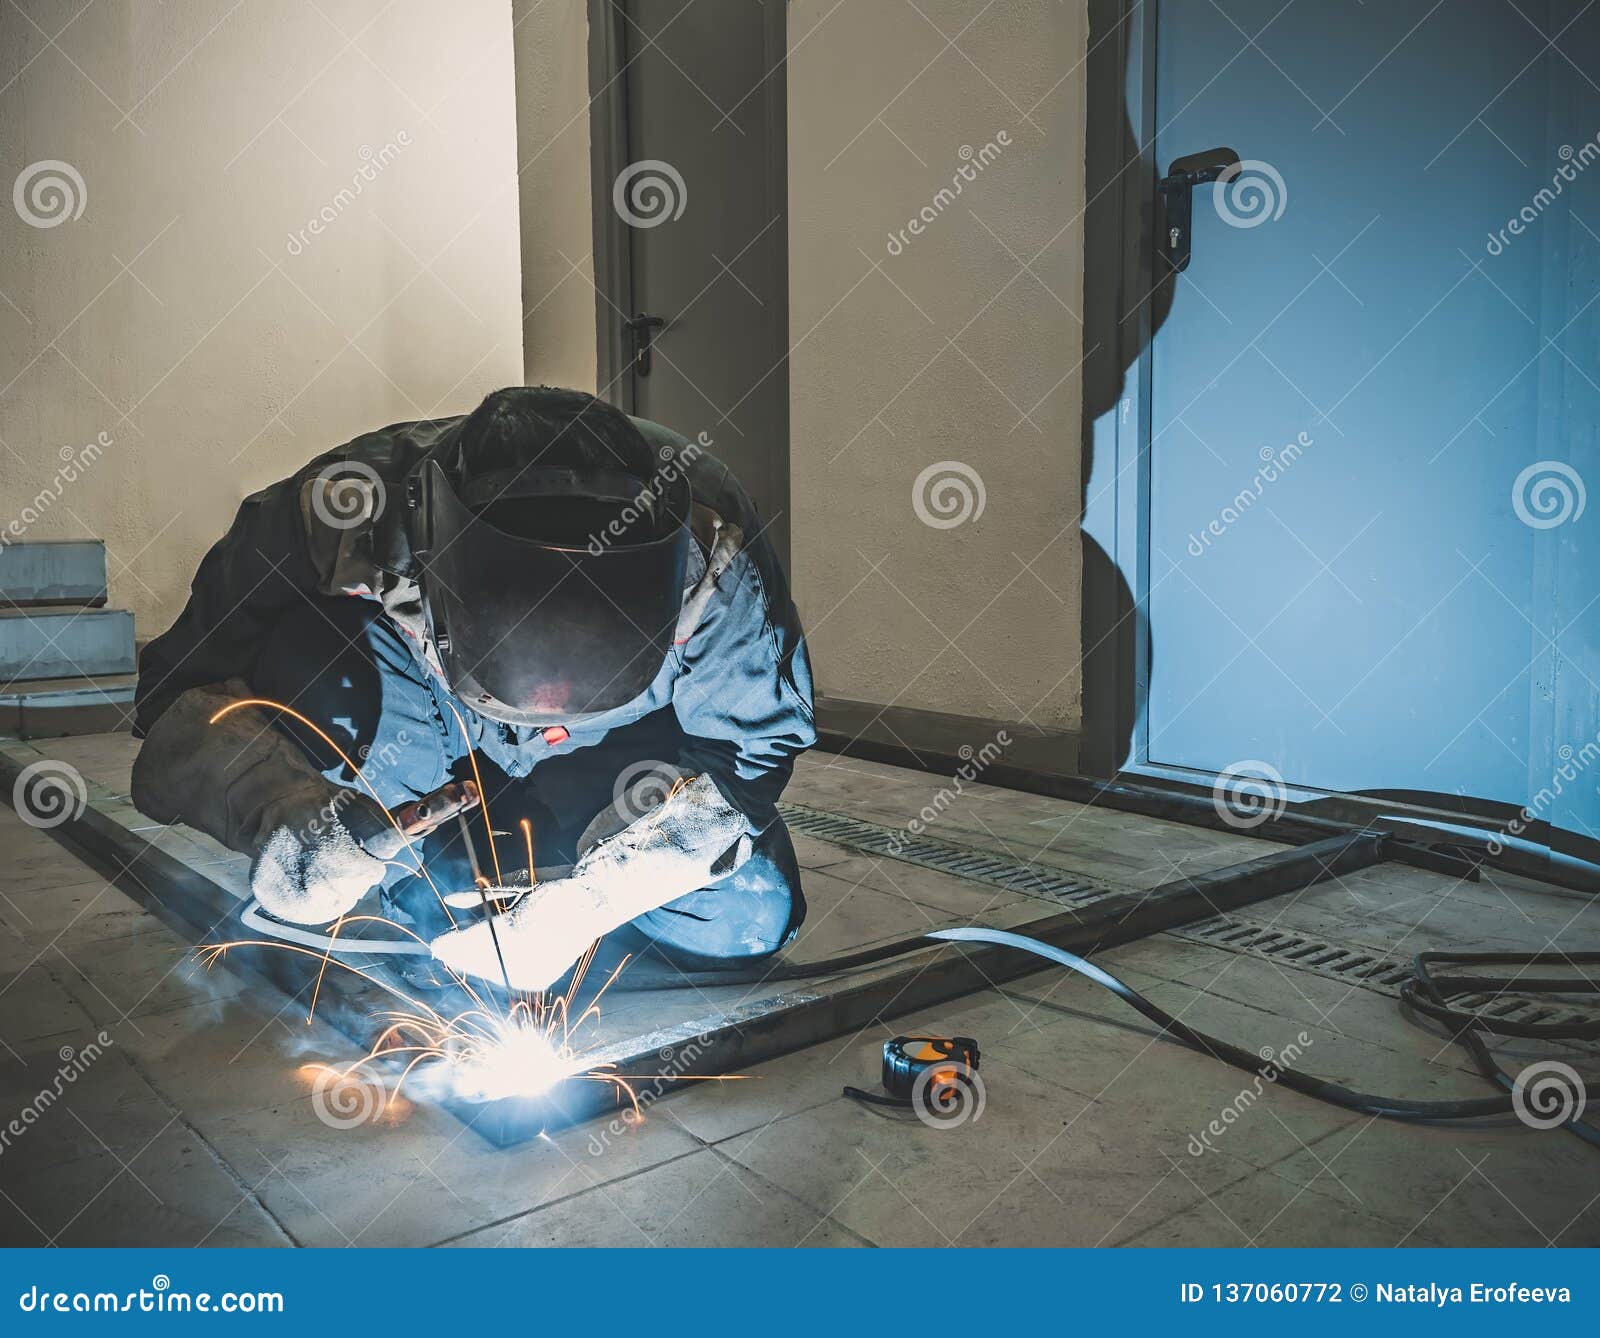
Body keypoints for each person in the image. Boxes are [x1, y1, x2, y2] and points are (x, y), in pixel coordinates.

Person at [130, 386, 814, 990]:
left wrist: (600, 899)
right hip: (422, 744)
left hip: (611, 765)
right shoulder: (339, 512)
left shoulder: (715, 545)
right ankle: (406, 866)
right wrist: (280, 811)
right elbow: (174, 700)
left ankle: (537, 885)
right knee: (316, 668)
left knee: (752, 916)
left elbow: (749, 754)